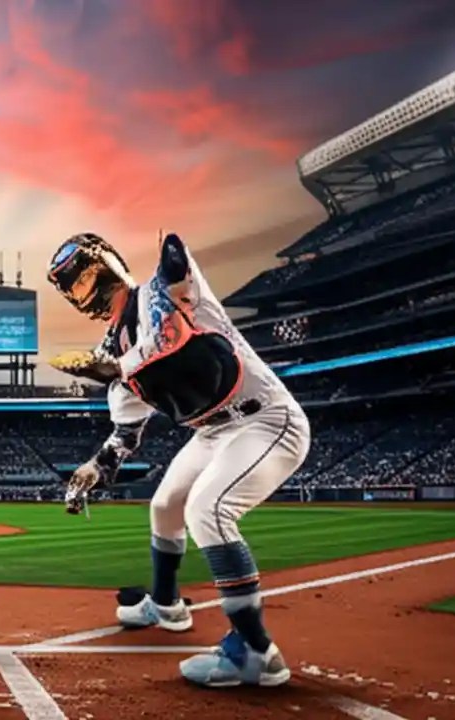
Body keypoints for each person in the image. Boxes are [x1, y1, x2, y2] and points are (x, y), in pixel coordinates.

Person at [46, 231, 311, 688]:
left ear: (105, 263)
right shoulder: (111, 352)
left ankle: (256, 651)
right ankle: (166, 606)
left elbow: (173, 309)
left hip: (264, 418)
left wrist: (118, 367)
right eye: (70, 284)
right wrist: (94, 468)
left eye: (81, 276)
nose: (78, 289)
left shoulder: (158, 294)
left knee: (207, 510)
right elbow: (125, 435)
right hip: (211, 431)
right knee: (164, 506)